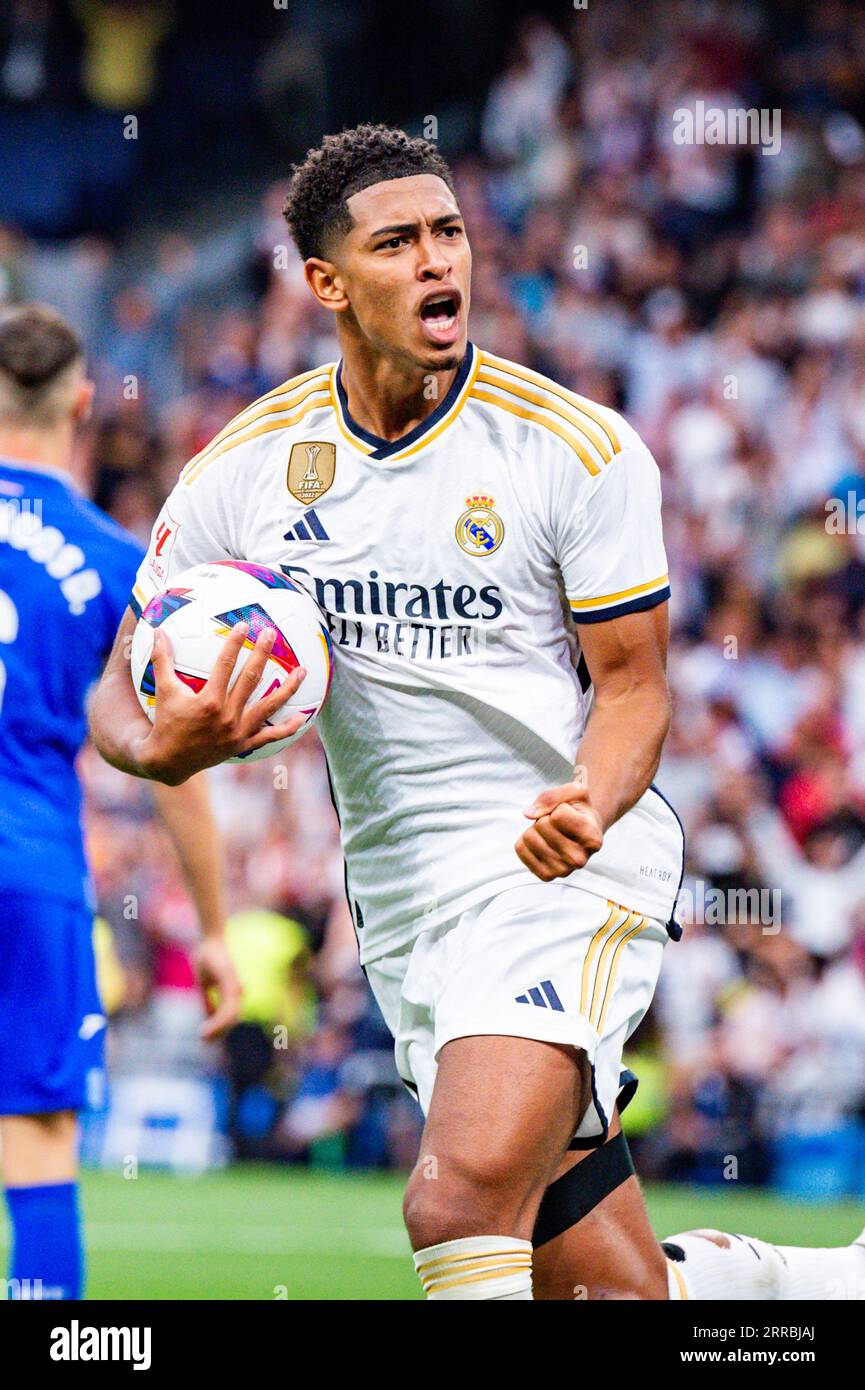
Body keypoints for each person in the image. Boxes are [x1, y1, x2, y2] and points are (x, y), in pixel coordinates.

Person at [89, 126, 865, 1301]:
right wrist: (154, 747)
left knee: (451, 1200)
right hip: (405, 906)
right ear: (326, 283)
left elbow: (636, 687)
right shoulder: (250, 468)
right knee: (600, 1294)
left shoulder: (576, 448)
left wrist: (590, 801)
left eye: (447, 232)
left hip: (562, 864)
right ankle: (786, 1291)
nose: (438, 260)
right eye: (396, 243)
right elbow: (118, 675)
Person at [0, 303, 241, 1300]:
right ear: (86, 403)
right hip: (31, 868)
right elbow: (167, 763)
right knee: (38, 1141)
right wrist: (216, 930)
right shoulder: (115, 565)